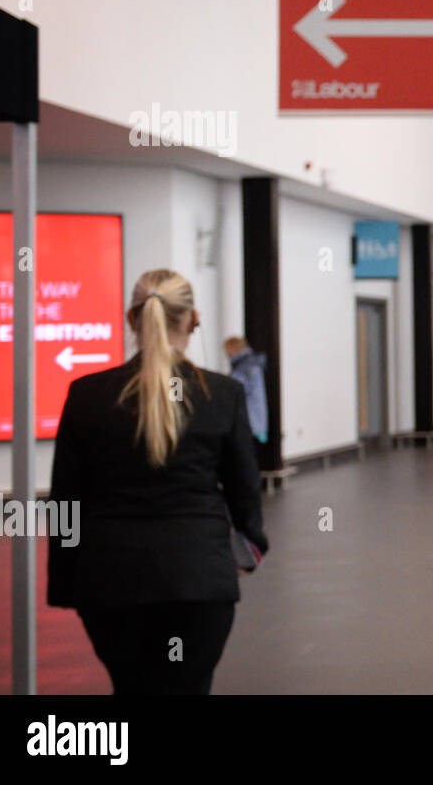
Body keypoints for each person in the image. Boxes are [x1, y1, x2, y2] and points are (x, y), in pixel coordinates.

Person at [48, 269, 268, 694]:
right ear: (193, 320)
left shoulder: (87, 395)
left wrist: (66, 581)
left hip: (111, 584)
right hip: (199, 581)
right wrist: (249, 550)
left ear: (132, 319)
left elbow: (66, 504)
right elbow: (245, 490)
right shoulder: (221, 395)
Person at [224, 336, 268, 448]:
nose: (226, 354)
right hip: (256, 423)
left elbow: (233, 388)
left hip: (250, 424)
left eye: (226, 350)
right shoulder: (251, 363)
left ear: (233, 348)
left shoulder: (246, 367)